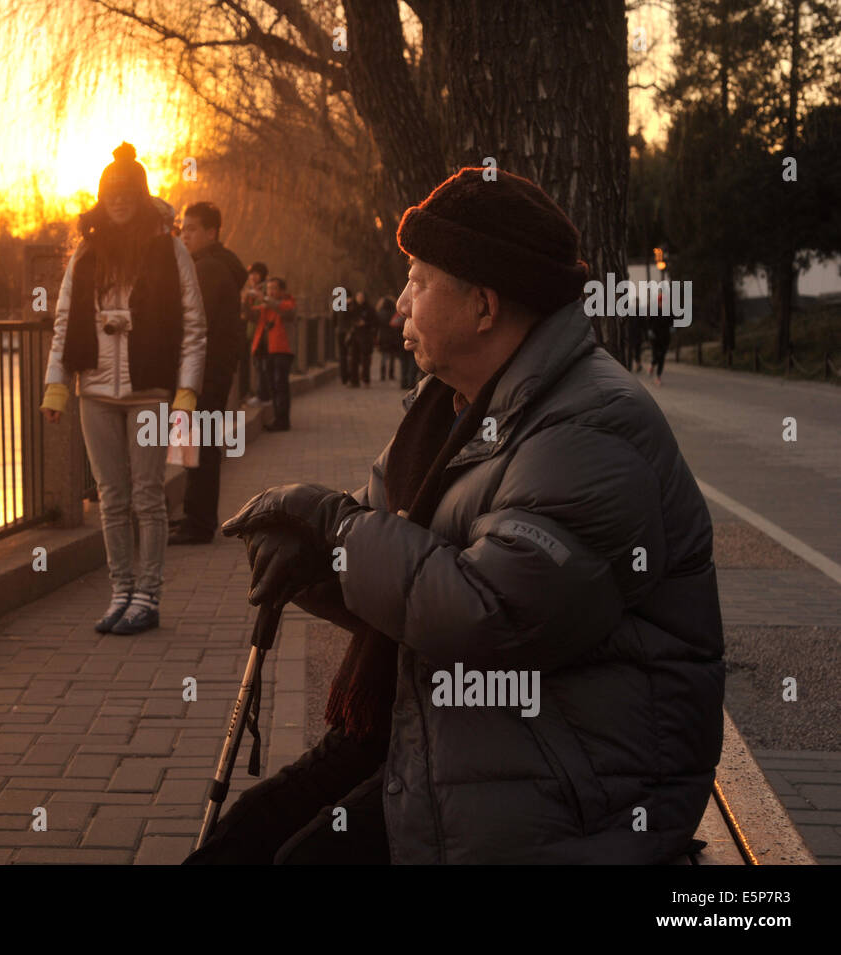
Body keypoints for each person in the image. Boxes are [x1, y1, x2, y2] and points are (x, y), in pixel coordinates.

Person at [187, 166, 724, 864]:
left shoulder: (592, 429)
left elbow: (489, 613)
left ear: (483, 305)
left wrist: (339, 528)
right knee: (248, 835)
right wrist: (319, 563)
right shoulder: (451, 409)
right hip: (488, 731)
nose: (400, 304)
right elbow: (413, 580)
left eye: (419, 280)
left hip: (583, 782)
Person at [39, 143, 207, 635]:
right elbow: (65, 321)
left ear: (140, 193)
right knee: (111, 497)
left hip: (149, 389)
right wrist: (56, 387)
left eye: (126, 191)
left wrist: (187, 393)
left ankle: (147, 596)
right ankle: (120, 591)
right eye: (110, 191)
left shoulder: (168, 247)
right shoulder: (87, 252)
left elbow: (195, 325)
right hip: (94, 389)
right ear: (101, 196)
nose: (118, 200)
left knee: (147, 496)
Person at [170, 201, 247, 545]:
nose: (184, 235)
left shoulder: (209, 269)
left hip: (204, 373)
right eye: (182, 229)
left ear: (211, 232)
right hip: (212, 371)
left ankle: (198, 523)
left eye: (191, 229)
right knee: (199, 445)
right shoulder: (216, 266)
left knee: (199, 446)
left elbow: (194, 323)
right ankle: (194, 516)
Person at [250, 276, 295, 431]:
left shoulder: (288, 303)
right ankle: (278, 419)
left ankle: (283, 421)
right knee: (273, 387)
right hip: (267, 352)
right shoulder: (265, 307)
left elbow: (284, 309)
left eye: (274, 288)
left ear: (282, 291)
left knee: (280, 386)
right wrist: (246, 299)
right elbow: (250, 315)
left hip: (282, 351)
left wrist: (265, 299)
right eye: (268, 289)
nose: (270, 292)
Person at [242, 263, 269, 406]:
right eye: (251, 274)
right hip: (252, 333)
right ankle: (256, 393)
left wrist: (245, 303)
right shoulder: (251, 291)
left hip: (263, 334)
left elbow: (257, 314)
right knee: (257, 364)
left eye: (256, 273)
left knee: (261, 365)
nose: (252, 277)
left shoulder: (265, 290)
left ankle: (262, 395)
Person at [344, 291, 376, 387]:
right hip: (354, 336)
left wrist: (365, 323)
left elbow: (374, 321)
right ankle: (354, 381)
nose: (360, 299)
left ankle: (366, 380)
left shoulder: (369, 309)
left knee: (365, 360)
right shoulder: (351, 307)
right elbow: (343, 318)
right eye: (358, 297)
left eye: (362, 297)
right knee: (353, 359)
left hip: (365, 336)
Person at [375, 294, 400, 381]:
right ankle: (391, 374)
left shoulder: (379, 313)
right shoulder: (395, 313)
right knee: (392, 357)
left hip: (383, 336)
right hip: (393, 336)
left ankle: (382, 374)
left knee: (384, 357)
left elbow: (376, 326)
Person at [648, 314, 671, 385]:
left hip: (665, 338)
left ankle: (658, 377)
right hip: (654, 338)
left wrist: (673, 328)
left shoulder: (669, 311)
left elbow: (673, 321)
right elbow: (648, 322)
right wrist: (649, 331)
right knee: (655, 355)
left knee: (662, 357)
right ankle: (652, 364)